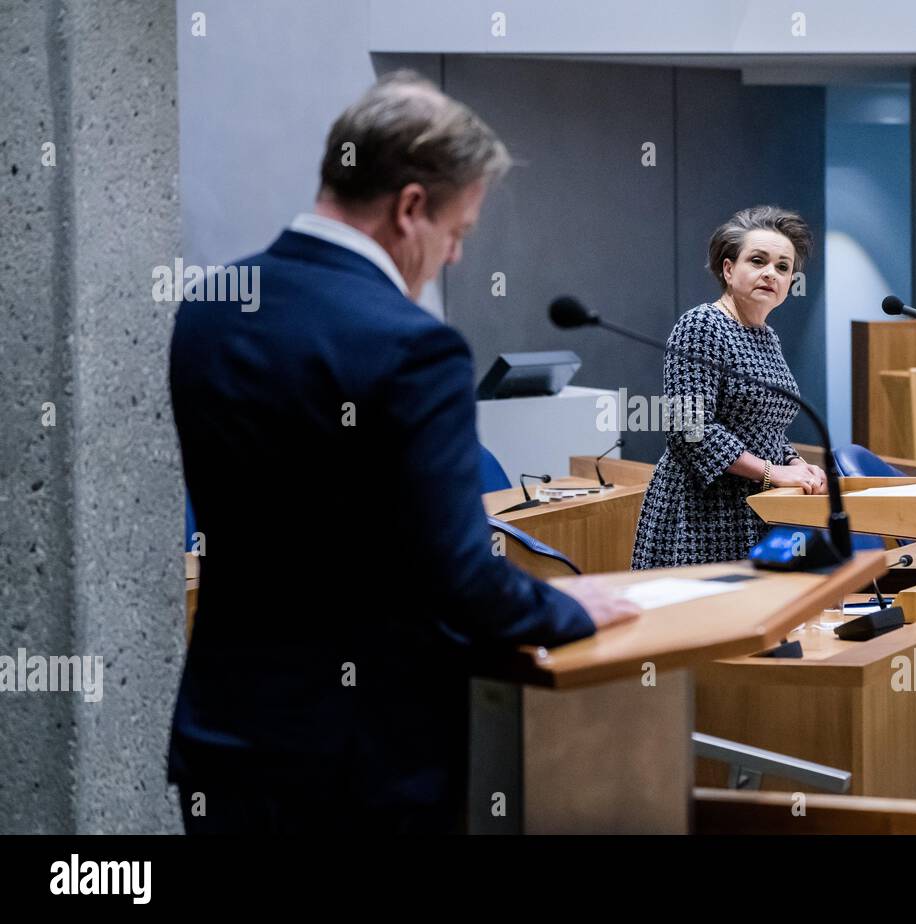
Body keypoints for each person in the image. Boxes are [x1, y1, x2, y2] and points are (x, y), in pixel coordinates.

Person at [167, 71, 638, 834]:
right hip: (363, 764)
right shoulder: (412, 347)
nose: (453, 257)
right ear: (411, 207)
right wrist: (565, 606)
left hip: (226, 737)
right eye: (459, 233)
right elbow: (456, 578)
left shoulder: (209, 308)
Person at [632, 206, 828, 569]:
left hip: (758, 506)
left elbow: (761, 426)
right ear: (728, 269)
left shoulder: (768, 337)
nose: (771, 273)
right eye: (758, 260)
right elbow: (688, 431)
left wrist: (794, 461)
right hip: (703, 513)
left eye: (783, 267)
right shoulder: (701, 325)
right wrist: (772, 472)